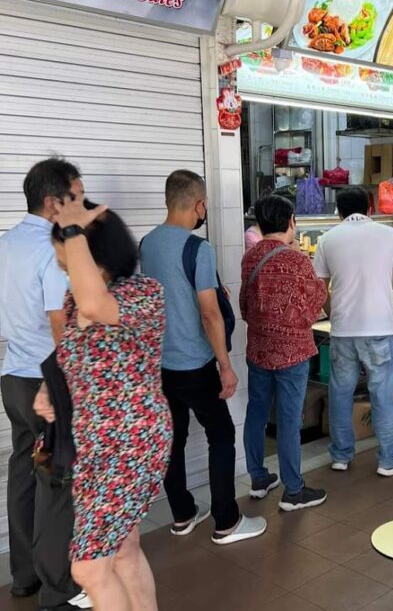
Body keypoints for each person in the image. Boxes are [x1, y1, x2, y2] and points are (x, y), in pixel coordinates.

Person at [33, 197, 171, 611]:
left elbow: (98, 306)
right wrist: (50, 389)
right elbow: (74, 356)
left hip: (132, 444)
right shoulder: (76, 300)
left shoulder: (142, 293)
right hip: (94, 445)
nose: (66, 273)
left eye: (69, 262)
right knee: (124, 550)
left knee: (88, 569)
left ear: (93, 252)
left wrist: (72, 229)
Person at [140, 170, 265, 545]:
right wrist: (226, 365)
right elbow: (209, 313)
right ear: (197, 204)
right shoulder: (198, 248)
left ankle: (183, 514)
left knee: (173, 440)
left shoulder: (146, 244)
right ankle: (227, 521)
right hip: (195, 363)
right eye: (205, 204)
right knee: (222, 435)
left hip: (161, 365)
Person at [0, 157, 89, 611]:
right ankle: (60, 589)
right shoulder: (54, 249)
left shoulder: (6, 242)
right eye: (76, 196)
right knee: (56, 481)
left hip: (12, 376)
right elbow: (61, 324)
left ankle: (24, 577)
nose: (82, 204)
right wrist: (69, 384)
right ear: (54, 202)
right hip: (45, 381)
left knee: (23, 474)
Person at [313, 186, 393, 476]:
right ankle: (388, 459)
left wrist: (335, 315)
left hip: (343, 331)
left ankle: (341, 456)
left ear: (340, 212)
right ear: (370, 208)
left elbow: (320, 289)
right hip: (380, 329)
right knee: (383, 396)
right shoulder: (389, 235)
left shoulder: (327, 239)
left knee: (340, 394)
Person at [240, 195, 327, 511]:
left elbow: (244, 305)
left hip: (259, 350)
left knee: (257, 412)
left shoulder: (250, 257)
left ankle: (259, 478)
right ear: (291, 220)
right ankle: (293, 490)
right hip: (292, 353)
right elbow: (317, 300)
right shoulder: (298, 260)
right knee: (290, 419)